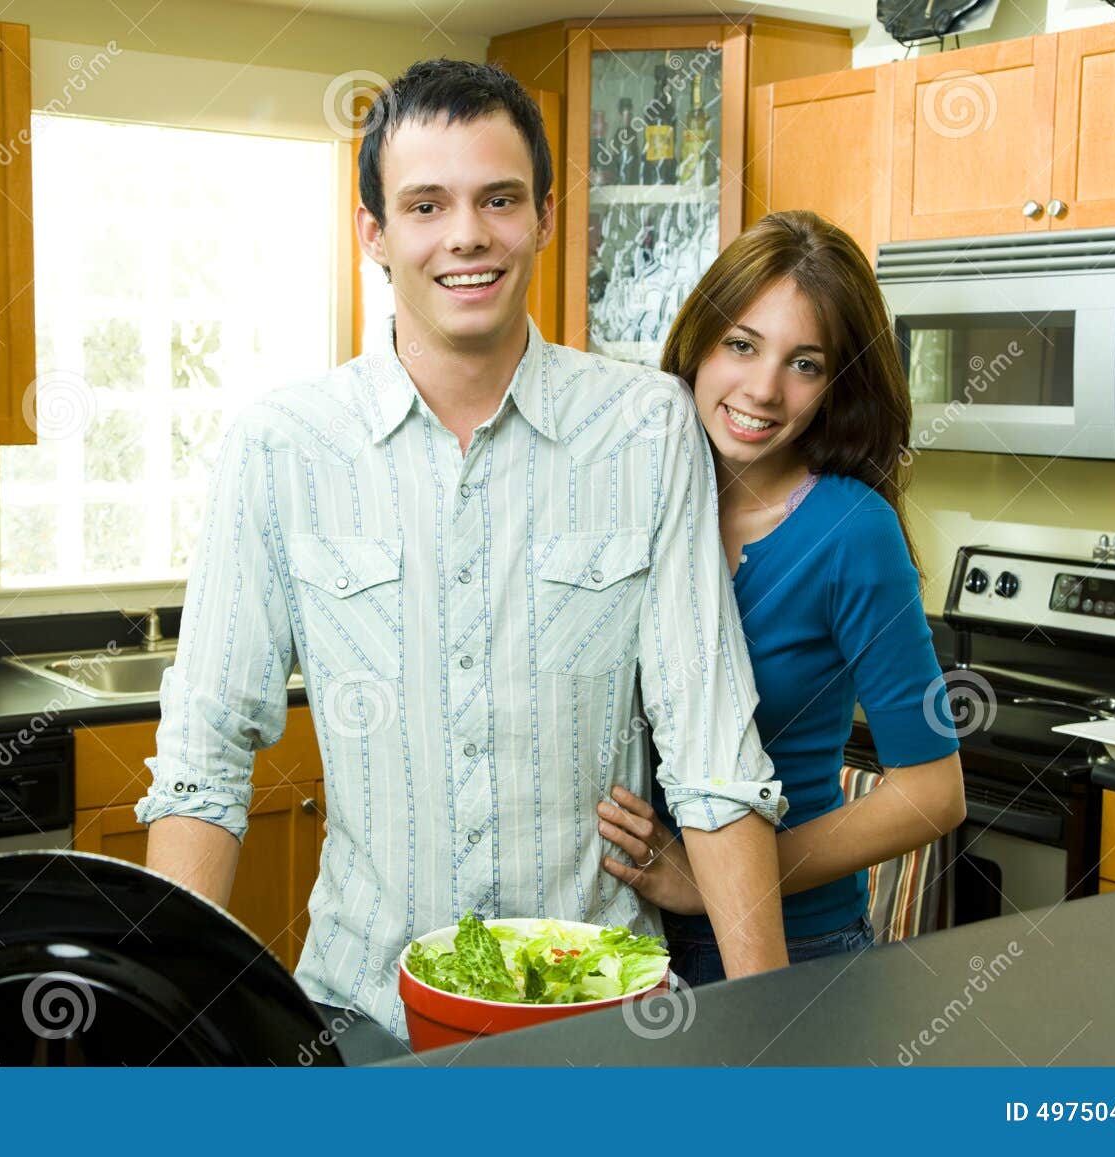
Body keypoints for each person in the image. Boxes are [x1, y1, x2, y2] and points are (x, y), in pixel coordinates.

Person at [136, 59, 791, 1052]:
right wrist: (164, 1039)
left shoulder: (647, 429)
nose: (466, 234)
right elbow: (203, 765)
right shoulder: (283, 446)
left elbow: (713, 761)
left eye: (498, 198)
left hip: (602, 1016)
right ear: (374, 232)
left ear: (544, 215)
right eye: (425, 203)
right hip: (362, 1017)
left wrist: (770, 1044)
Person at [594, 210, 967, 985]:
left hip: (799, 953)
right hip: (624, 941)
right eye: (741, 344)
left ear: (838, 383)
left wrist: (716, 881)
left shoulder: (850, 531)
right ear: (699, 341)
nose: (762, 390)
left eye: (805, 363)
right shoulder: (633, 499)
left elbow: (932, 791)